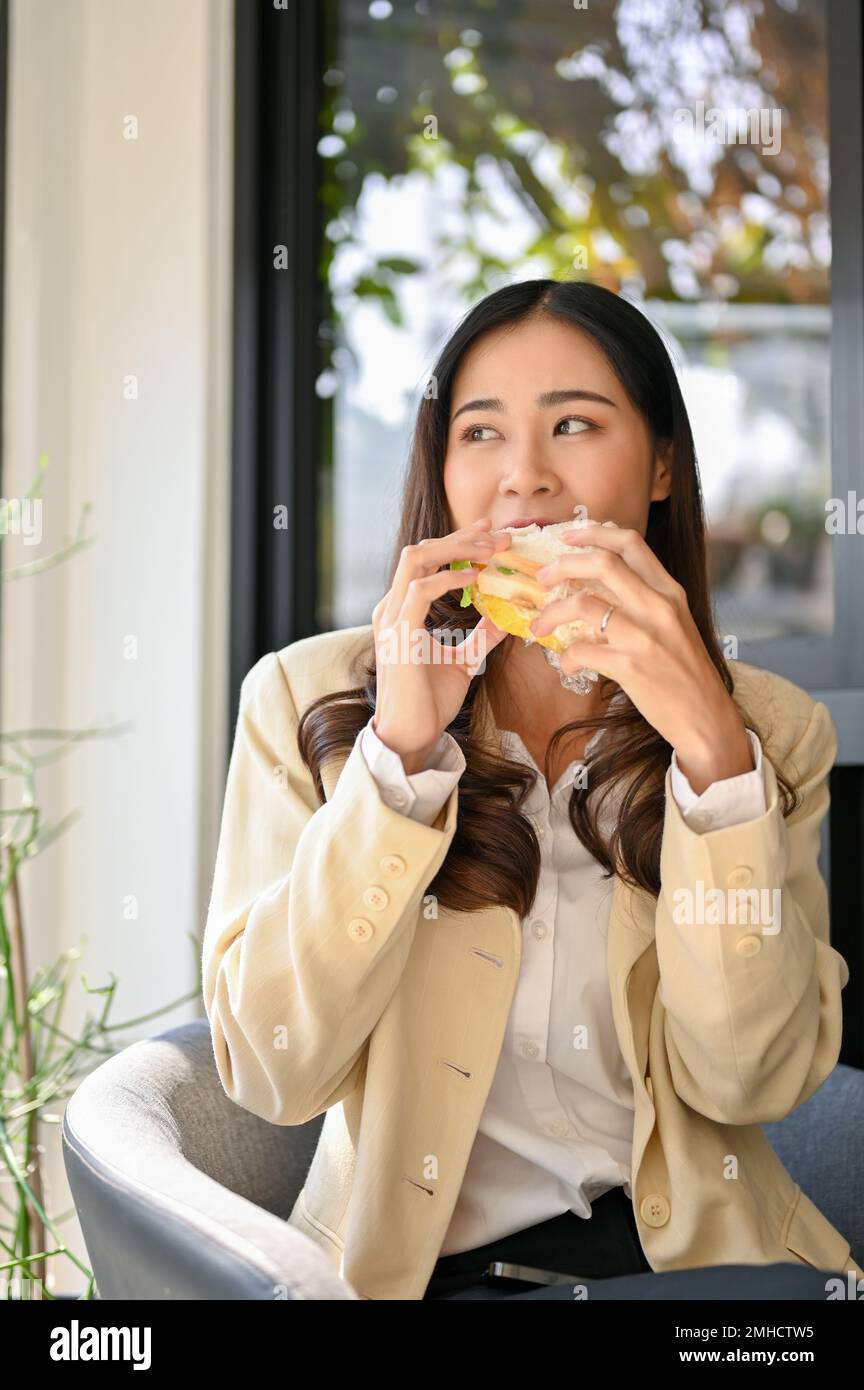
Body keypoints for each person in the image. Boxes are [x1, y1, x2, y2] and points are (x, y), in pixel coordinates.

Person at [202, 278, 862, 1301]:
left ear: (660, 465)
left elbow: (753, 1081)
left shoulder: (772, 732)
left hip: (695, 1280)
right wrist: (402, 757)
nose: (525, 479)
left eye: (573, 424)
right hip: (420, 1281)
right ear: (442, 472)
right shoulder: (304, 700)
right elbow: (271, 1071)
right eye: (480, 434)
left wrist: (712, 759)